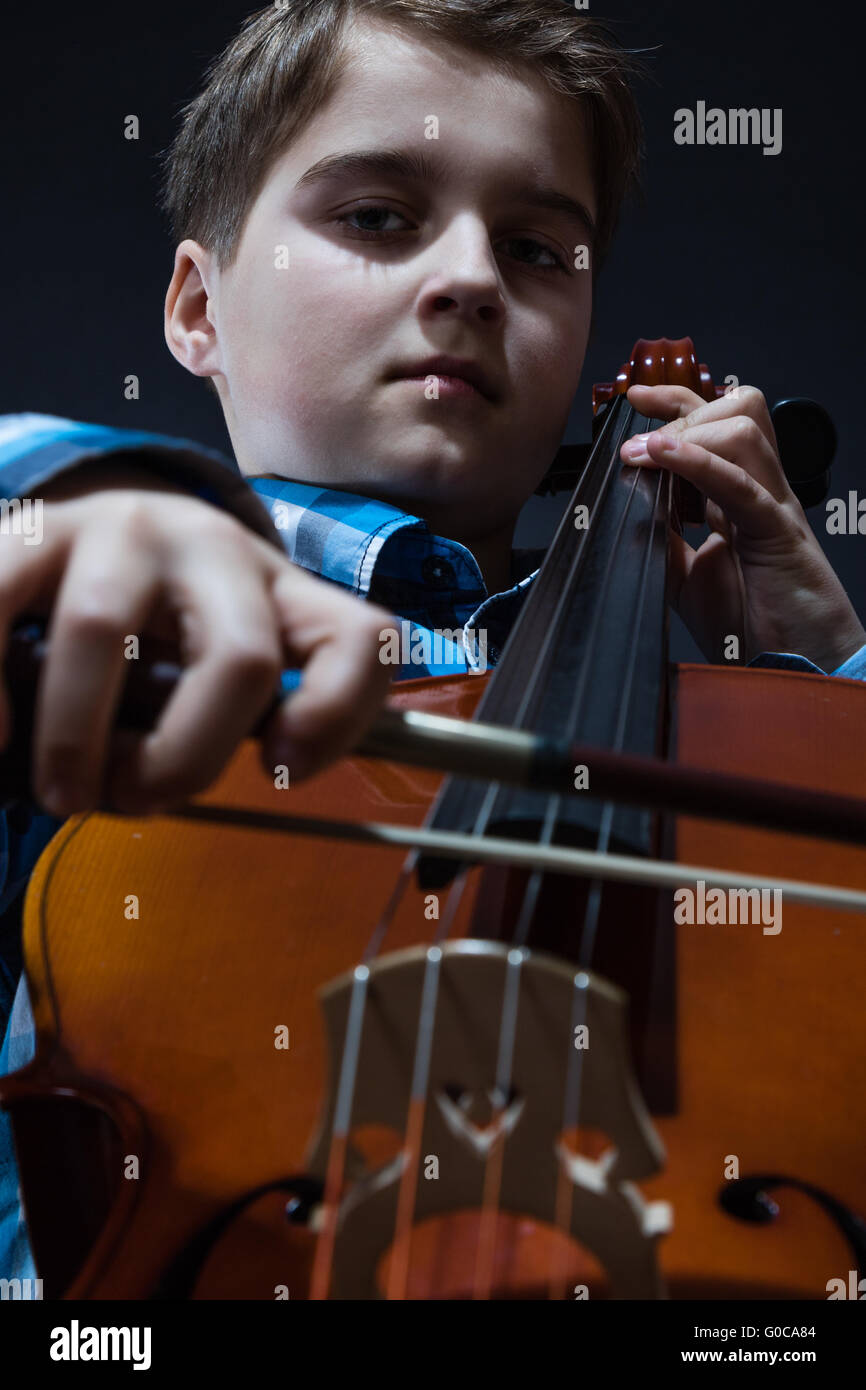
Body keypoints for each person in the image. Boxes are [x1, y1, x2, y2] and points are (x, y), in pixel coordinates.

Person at [1, 0, 863, 1288]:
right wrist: (77, 503)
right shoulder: (121, 629)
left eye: (535, 248)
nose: (470, 279)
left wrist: (833, 683)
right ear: (197, 309)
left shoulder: (717, 736)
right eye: (376, 218)